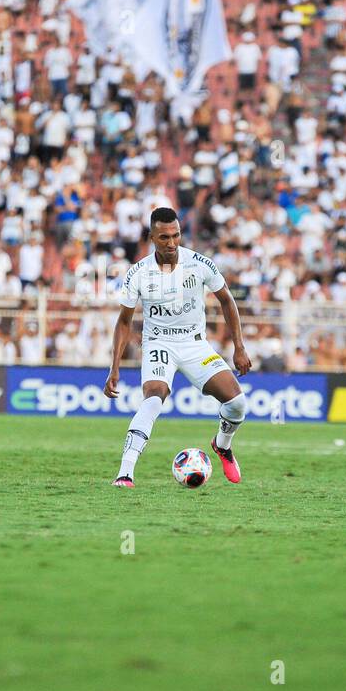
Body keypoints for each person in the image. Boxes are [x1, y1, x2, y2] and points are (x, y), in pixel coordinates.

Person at [104, 207, 252, 487]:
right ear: (151, 237)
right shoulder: (138, 273)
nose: (171, 243)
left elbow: (227, 301)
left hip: (195, 345)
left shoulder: (199, 264)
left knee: (237, 403)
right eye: (164, 238)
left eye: (176, 236)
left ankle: (222, 445)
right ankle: (125, 473)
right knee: (153, 398)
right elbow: (124, 322)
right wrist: (115, 367)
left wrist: (239, 347)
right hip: (159, 344)